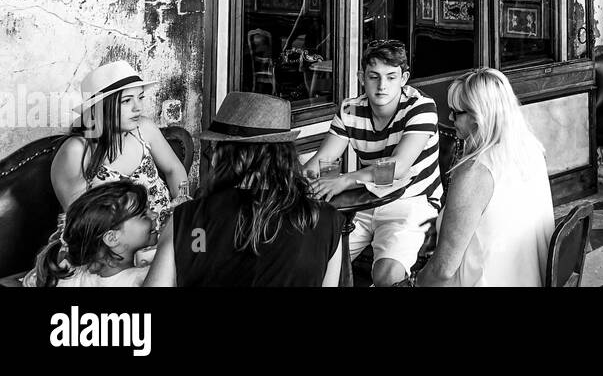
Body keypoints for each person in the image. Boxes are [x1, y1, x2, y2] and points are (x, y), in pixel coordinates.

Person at [145, 93, 344, 286]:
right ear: (285, 155)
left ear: (225, 156)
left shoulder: (189, 220)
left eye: (214, 149)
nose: (212, 157)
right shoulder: (326, 220)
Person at [306, 40, 443, 286]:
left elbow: (398, 167)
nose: (382, 86)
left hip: (413, 201)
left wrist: (344, 180)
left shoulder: (421, 107)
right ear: (361, 77)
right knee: (314, 263)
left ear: (404, 78)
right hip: (365, 201)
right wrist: (304, 178)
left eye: (391, 77)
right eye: (374, 77)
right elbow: (322, 160)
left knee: (386, 275)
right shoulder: (350, 109)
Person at [417, 69, 554, 286]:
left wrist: (414, 282)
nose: (450, 117)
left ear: (479, 116)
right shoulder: (530, 148)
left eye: (456, 112)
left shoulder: (475, 172)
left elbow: (443, 270)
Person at [51, 61, 188, 221]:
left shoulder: (144, 129)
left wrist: (182, 206)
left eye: (140, 97)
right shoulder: (77, 150)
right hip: (112, 243)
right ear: (100, 107)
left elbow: (174, 168)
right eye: (126, 101)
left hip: (166, 232)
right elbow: (83, 221)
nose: (138, 107)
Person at [29, 181, 156, 287]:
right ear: (112, 238)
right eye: (144, 215)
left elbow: (31, 280)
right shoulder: (145, 278)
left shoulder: (68, 274)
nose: (154, 215)